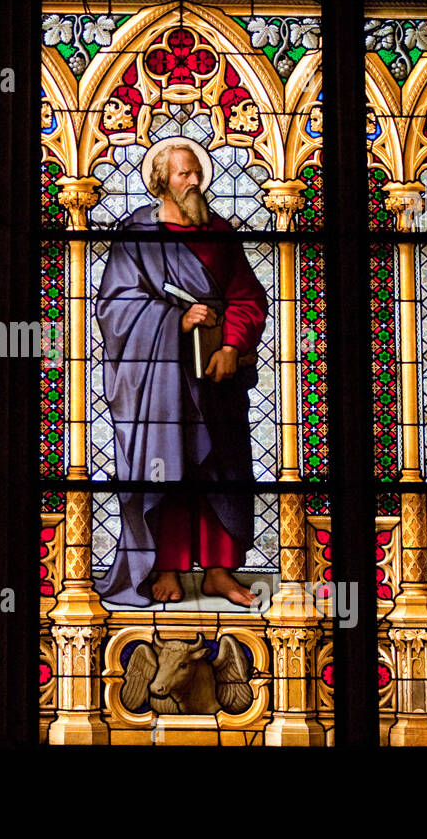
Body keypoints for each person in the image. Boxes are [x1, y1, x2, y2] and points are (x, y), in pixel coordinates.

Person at [95, 137, 267, 607]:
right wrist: (174, 319)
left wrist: (231, 344)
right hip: (161, 380)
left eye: (196, 172)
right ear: (160, 182)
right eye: (182, 174)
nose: (193, 181)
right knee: (165, 463)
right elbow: (114, 305)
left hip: (217, 376)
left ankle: (218, 571)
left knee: (222, 468)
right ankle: (166, 566)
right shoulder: (138, 236)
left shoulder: (221, 234)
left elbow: (249, 297)